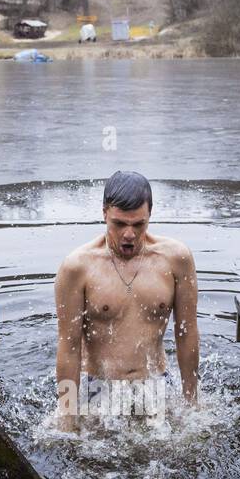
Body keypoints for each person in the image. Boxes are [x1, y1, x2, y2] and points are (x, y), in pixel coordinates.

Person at [53, 171, 199, 431]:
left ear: (150, 215)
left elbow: (186, 332)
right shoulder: (77, 267)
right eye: (119, 224)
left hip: (155, 380)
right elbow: (69, 344)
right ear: (104, 214)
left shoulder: (176, 259)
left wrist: (192, 401)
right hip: (97, 385)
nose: (129, 235)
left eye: (138, 225)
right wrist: (67, 416)